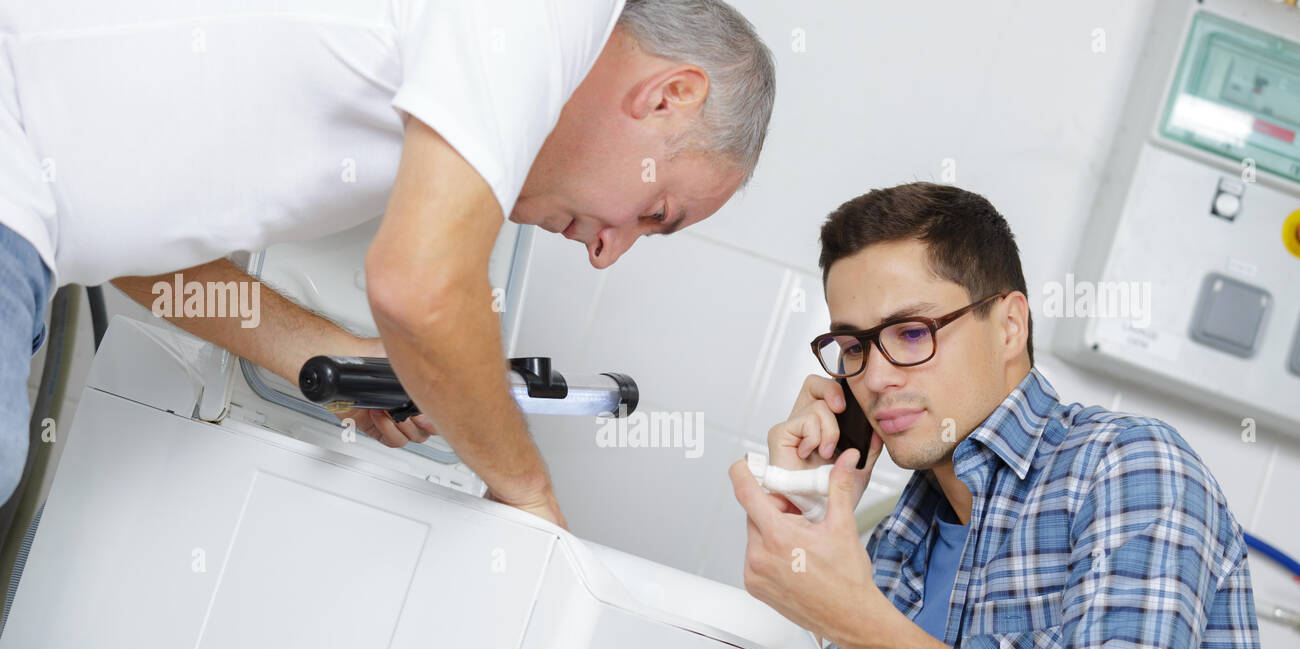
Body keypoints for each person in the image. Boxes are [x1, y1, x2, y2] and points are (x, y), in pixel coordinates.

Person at [0, 0, 775, 528]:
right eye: (654, 212)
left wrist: (338, 358)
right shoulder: (544, 17)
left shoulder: (429, 101)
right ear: (670, 95)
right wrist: (528, 495)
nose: (609, 251)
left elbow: (124, 248)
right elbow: (419, 290)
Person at [730, 182, 1280, 649]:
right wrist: (805, 511)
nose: (873, 378)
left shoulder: (1130, 468)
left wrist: (856, 620)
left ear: (1011, 325)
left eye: (910, 333)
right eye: (853, 347)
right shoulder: (904, 542)